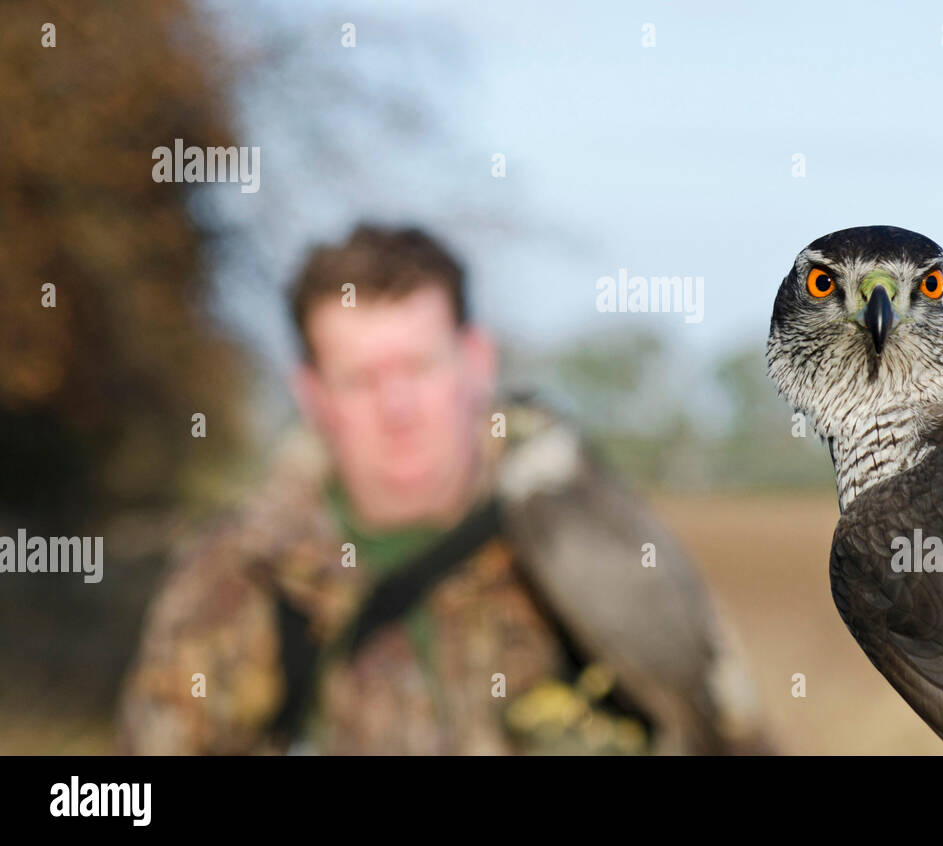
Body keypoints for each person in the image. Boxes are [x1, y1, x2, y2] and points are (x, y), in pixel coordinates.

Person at [117, 224, 764, 754]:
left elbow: (734, 733)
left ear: (475, 360)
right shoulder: (243, 575)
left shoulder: (584, 521)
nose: (397, 407)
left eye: (419, 367)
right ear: (311, 394)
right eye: (360, 379)